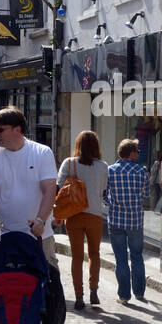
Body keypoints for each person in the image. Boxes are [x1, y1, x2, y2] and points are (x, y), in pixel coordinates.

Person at [0, 107, 58, 265]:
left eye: (0, 129)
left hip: (38, 235)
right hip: (2, 234)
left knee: (50, 284)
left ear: (17, 129)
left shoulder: (42, 152)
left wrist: (41, 220)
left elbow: (49, 190)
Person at [56, 130, 108, 310]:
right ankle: (94, 289)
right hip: (95, 215)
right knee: (95, 253)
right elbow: (103, 190)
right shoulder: (103, 166)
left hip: (73, 215)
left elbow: (59, 189)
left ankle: (79, 296)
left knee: (76, 257)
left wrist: (57, 214)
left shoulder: (69, 164)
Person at [104, 138, 150, 305]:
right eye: (137, 151)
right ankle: (139, 292)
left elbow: (104, 194)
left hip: (116, 220)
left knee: (121, 259)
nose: (138, 153)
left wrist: (111, 202)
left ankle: (124, 296)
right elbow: (146, 196)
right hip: (136, 221)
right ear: (131, 153)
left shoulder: (111, 170)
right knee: (137, 256)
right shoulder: (142, 171)